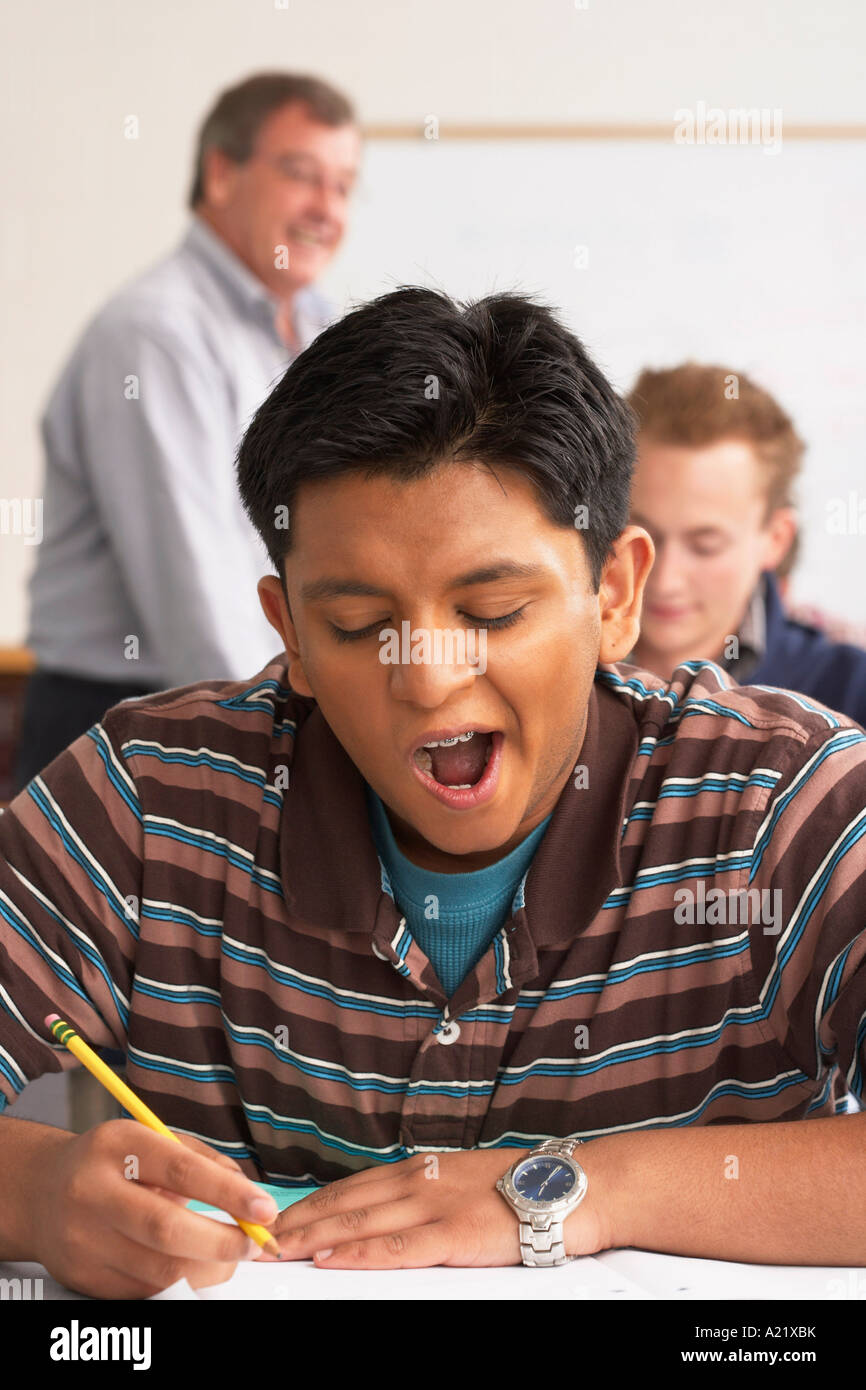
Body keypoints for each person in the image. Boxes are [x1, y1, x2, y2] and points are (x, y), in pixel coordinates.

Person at [0, 288, 864, 1298]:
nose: (425, 677)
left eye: (491, 609)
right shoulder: (153, 799)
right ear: (291, 633)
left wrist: (575, 1191)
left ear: (614, 596)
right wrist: (34, 1191)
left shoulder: (781, 799)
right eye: (361, 624)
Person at [15, 71, 361, 791]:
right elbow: (195, 597)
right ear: (221, 172)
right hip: (130, 720)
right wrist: (303, 755)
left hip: (271, 708)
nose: (327, 208)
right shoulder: (154, 334)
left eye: (344, 185)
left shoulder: (325, 331)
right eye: (302, 174)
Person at [626, 362, 866, 724]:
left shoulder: (851, 691)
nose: (664, 580)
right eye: (640, 534)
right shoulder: (552, 662)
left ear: (776, 539)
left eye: (706, 545)